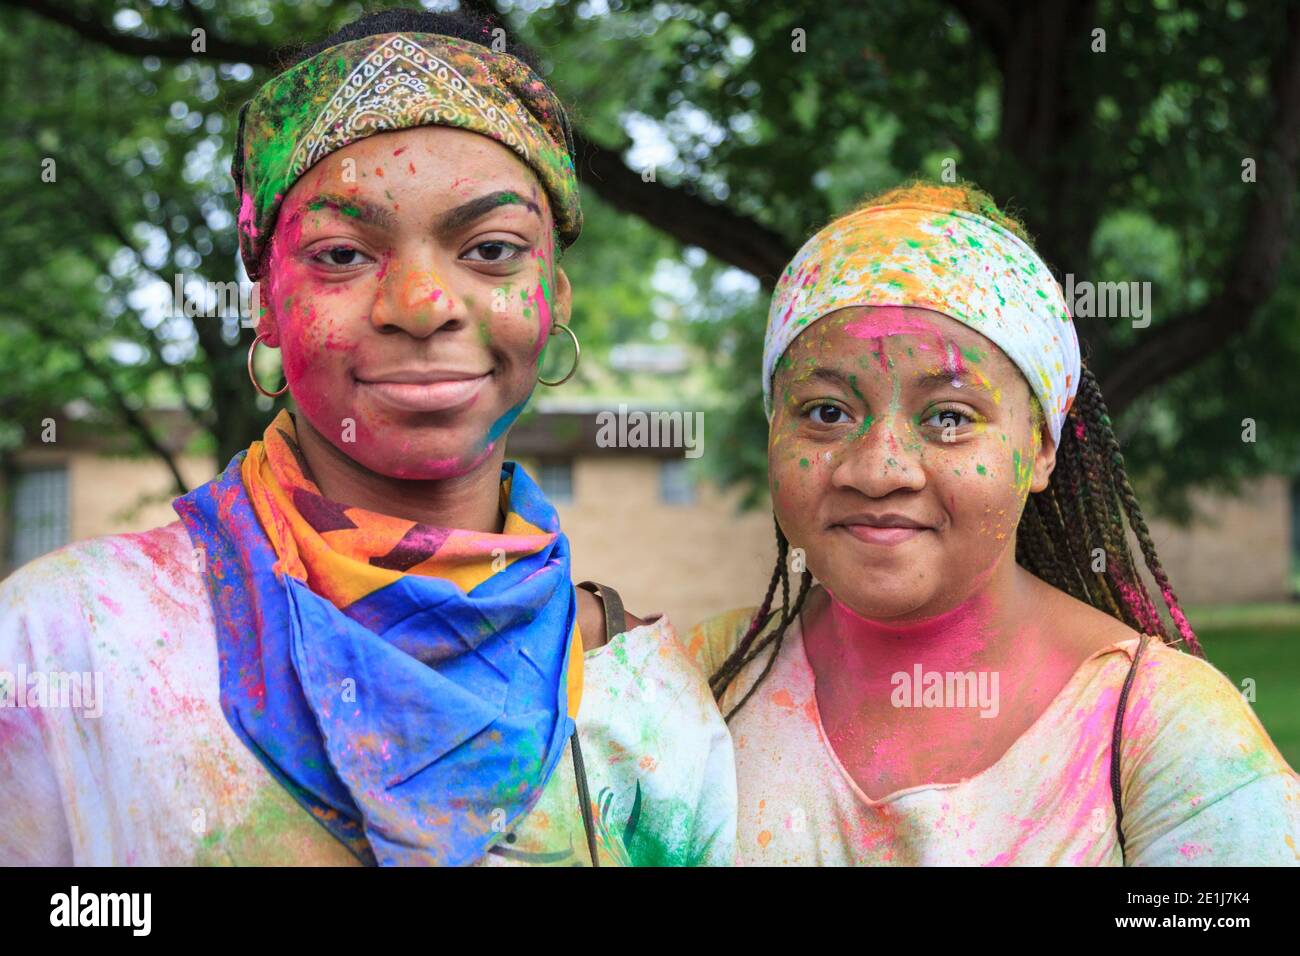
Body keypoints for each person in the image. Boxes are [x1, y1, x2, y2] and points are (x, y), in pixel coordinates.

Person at [0, 7, 735, 867]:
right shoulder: (69, 644)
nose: (424, 305)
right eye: (343, 255)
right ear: (268, 307)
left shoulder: (647, 710)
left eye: (492, 248)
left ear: (556, 298)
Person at [689, 181, 1300, 866]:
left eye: (949, 417)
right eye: (827, 412)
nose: (879, 469)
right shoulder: (693, 695)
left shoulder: (1167, 734)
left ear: (1041, 446)